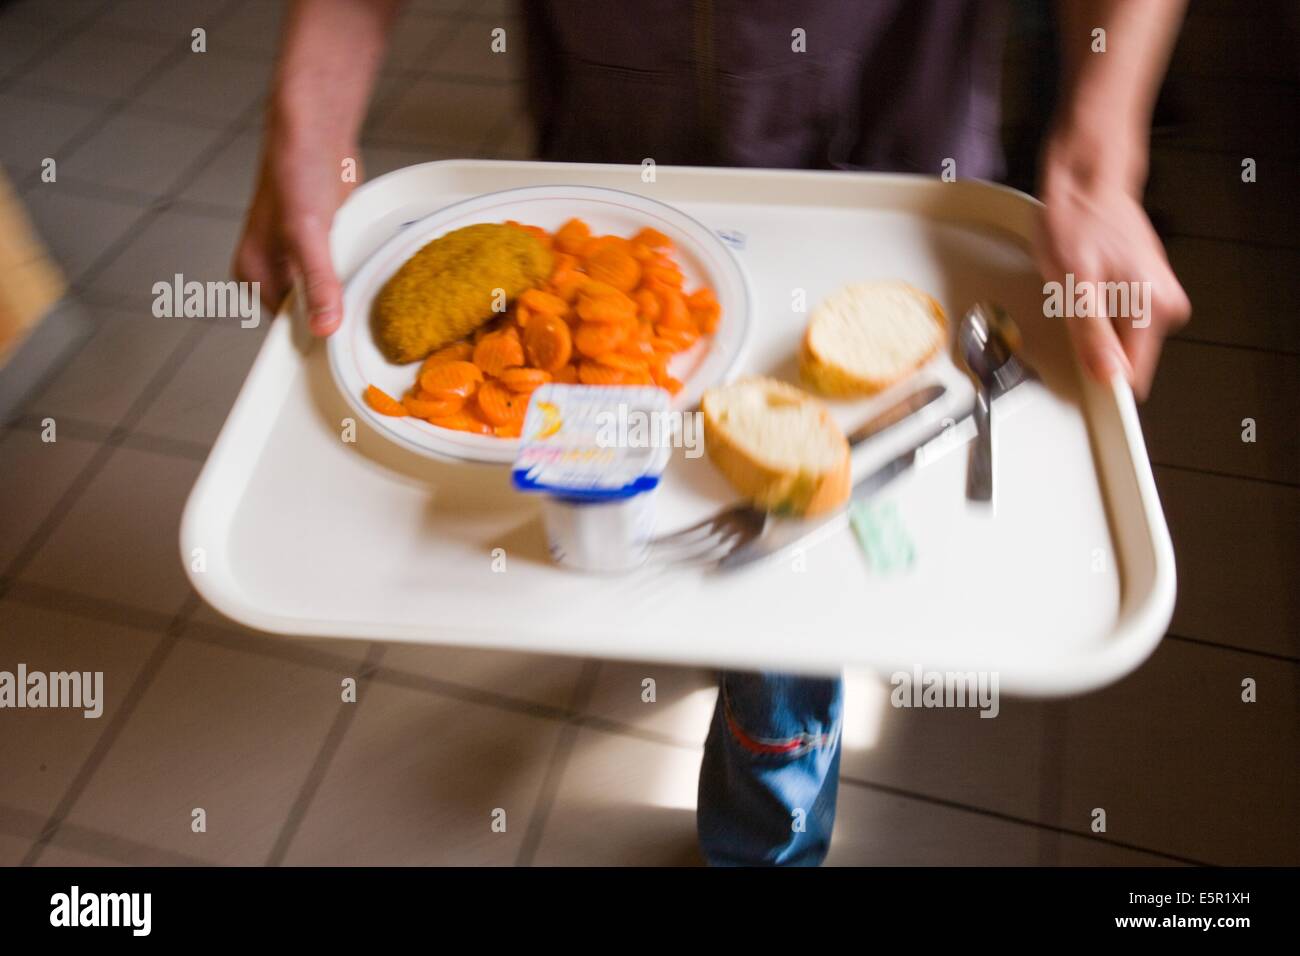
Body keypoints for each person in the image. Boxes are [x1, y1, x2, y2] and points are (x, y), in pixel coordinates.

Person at [235, 0, 1191, 866]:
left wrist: (1101, 156)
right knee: (627, 538)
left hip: (879, 185)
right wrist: (310, 123)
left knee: (783, 624)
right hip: (609, 167)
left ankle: (762, 850)